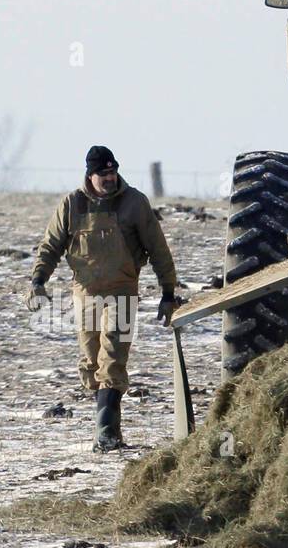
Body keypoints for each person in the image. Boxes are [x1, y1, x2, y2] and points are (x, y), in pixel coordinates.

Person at [27, 145, 181, 451]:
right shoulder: (72, 204)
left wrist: (168, 292)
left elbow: (158, 249)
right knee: (90, 363)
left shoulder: (135, 203)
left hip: (122, 292)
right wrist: (38, 281)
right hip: (84, 294)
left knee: (112, 359)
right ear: (90, 175)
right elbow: (50, 246)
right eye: (103, 173)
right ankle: (104, 424)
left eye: (113, 172)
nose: (110, 178)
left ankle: (108, 432)